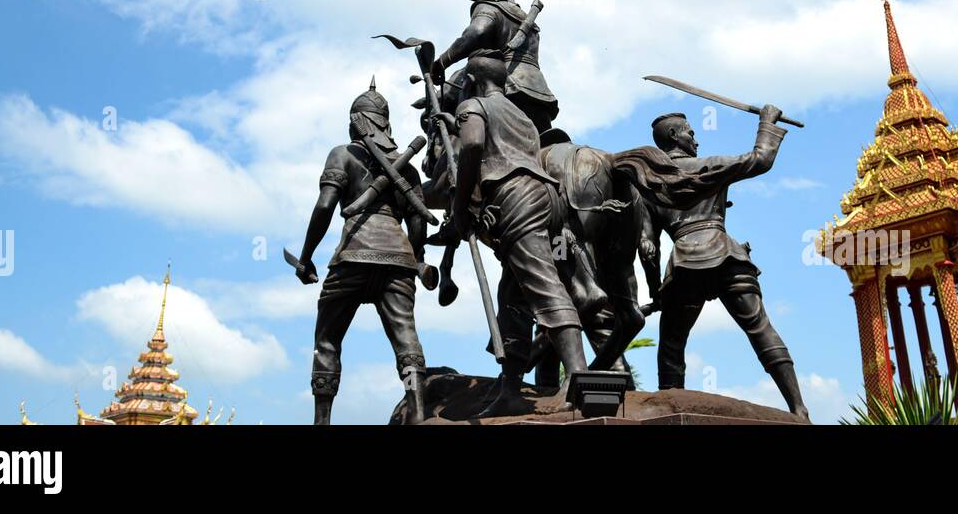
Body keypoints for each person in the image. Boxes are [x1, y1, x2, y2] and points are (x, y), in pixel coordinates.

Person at [614, 108, 810, 419]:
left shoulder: (649, 185)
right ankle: (799, 408)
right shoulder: (710, 165)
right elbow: (760, 159)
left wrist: (656, 293)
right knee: (760, 328)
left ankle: (669, 411)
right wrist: (766, 122)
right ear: (675, 136)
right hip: (727, 258)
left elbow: (647, 248)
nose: (696, 138)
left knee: (671, 349)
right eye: (691, 132)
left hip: (685, 268)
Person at [451, 50, 586, 417]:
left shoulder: (474, 106)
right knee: (512, 296)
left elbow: (474, 145)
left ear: (471, 82)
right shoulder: (523, 116)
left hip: (515, 195)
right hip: (547, 195)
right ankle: (509, 388)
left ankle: (579, 382)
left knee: (544, 284)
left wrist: (460, 207)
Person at [292, 80, 429, 424]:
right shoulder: (407, 166)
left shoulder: (343, 154)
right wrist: (413, 258)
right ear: (386, 123)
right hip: (397, 260)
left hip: (353, 256)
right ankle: (417, 413)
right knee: (406, 338)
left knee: (327, 341)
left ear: (355, 121)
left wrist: (306, 255)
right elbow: (418, 225)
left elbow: (325, 206)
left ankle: (322, 421)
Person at [432, 0, 560, 133]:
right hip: (540, 95)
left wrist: (443, 61)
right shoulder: (527, 20)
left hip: (507, 88)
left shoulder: (489, 8)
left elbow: (477, 32)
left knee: (451, 102)